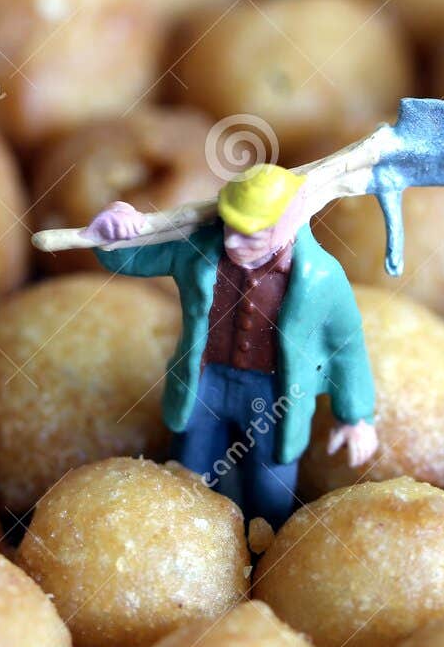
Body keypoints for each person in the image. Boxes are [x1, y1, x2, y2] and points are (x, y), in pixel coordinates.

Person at [84, 163, 378, 528]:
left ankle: (265, 557)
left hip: (275, 395)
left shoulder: (321, 278)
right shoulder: (198, 251)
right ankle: (190, 542)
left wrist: (356, 415)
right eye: (229, 228)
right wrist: (112, 233)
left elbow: (345, 346)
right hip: (206, 381)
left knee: (270, 489)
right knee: (189, 473)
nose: (232, 243)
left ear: (287, 225)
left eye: (250, 235)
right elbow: (134, 259)